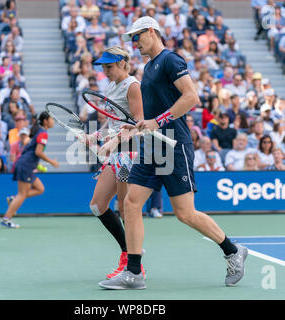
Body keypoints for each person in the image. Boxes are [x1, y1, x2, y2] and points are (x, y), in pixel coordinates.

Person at [99, 16, 248, 290]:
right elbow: (146, 116)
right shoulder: (148, 66)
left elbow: (192, 97)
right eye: (131, 38)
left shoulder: (171, 60)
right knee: (131, 204)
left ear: (152, 32)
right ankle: (134, 272)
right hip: (151, 146)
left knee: (185, 213)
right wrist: (125, 134)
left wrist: (159, 120)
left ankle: (232, 250)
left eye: (137, 36)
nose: (134, 42)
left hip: (174, 145)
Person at [87, 46, 146, 280]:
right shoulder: (111, 86)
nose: (105, 71)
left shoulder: (133, 86)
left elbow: (139, 124)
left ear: (123, 63)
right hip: (115, 150)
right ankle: (129, 254)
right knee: (97, 205)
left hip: (128, 153)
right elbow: (113, 123)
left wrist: (113, 144)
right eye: (103, 67)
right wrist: (96, 136)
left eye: (109, 66)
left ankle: (133, 263)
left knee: (126, 210)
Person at [1, 112, 59, 228]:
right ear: (46, 121)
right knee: (22, 195)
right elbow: (38, 152)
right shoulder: (43, 134)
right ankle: (6, 219)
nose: (53, 121)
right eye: (52, 119)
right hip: (26, 165)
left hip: (27, 165)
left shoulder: (39, 131)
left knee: (40, 189)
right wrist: (51, 161)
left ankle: (13, 199)